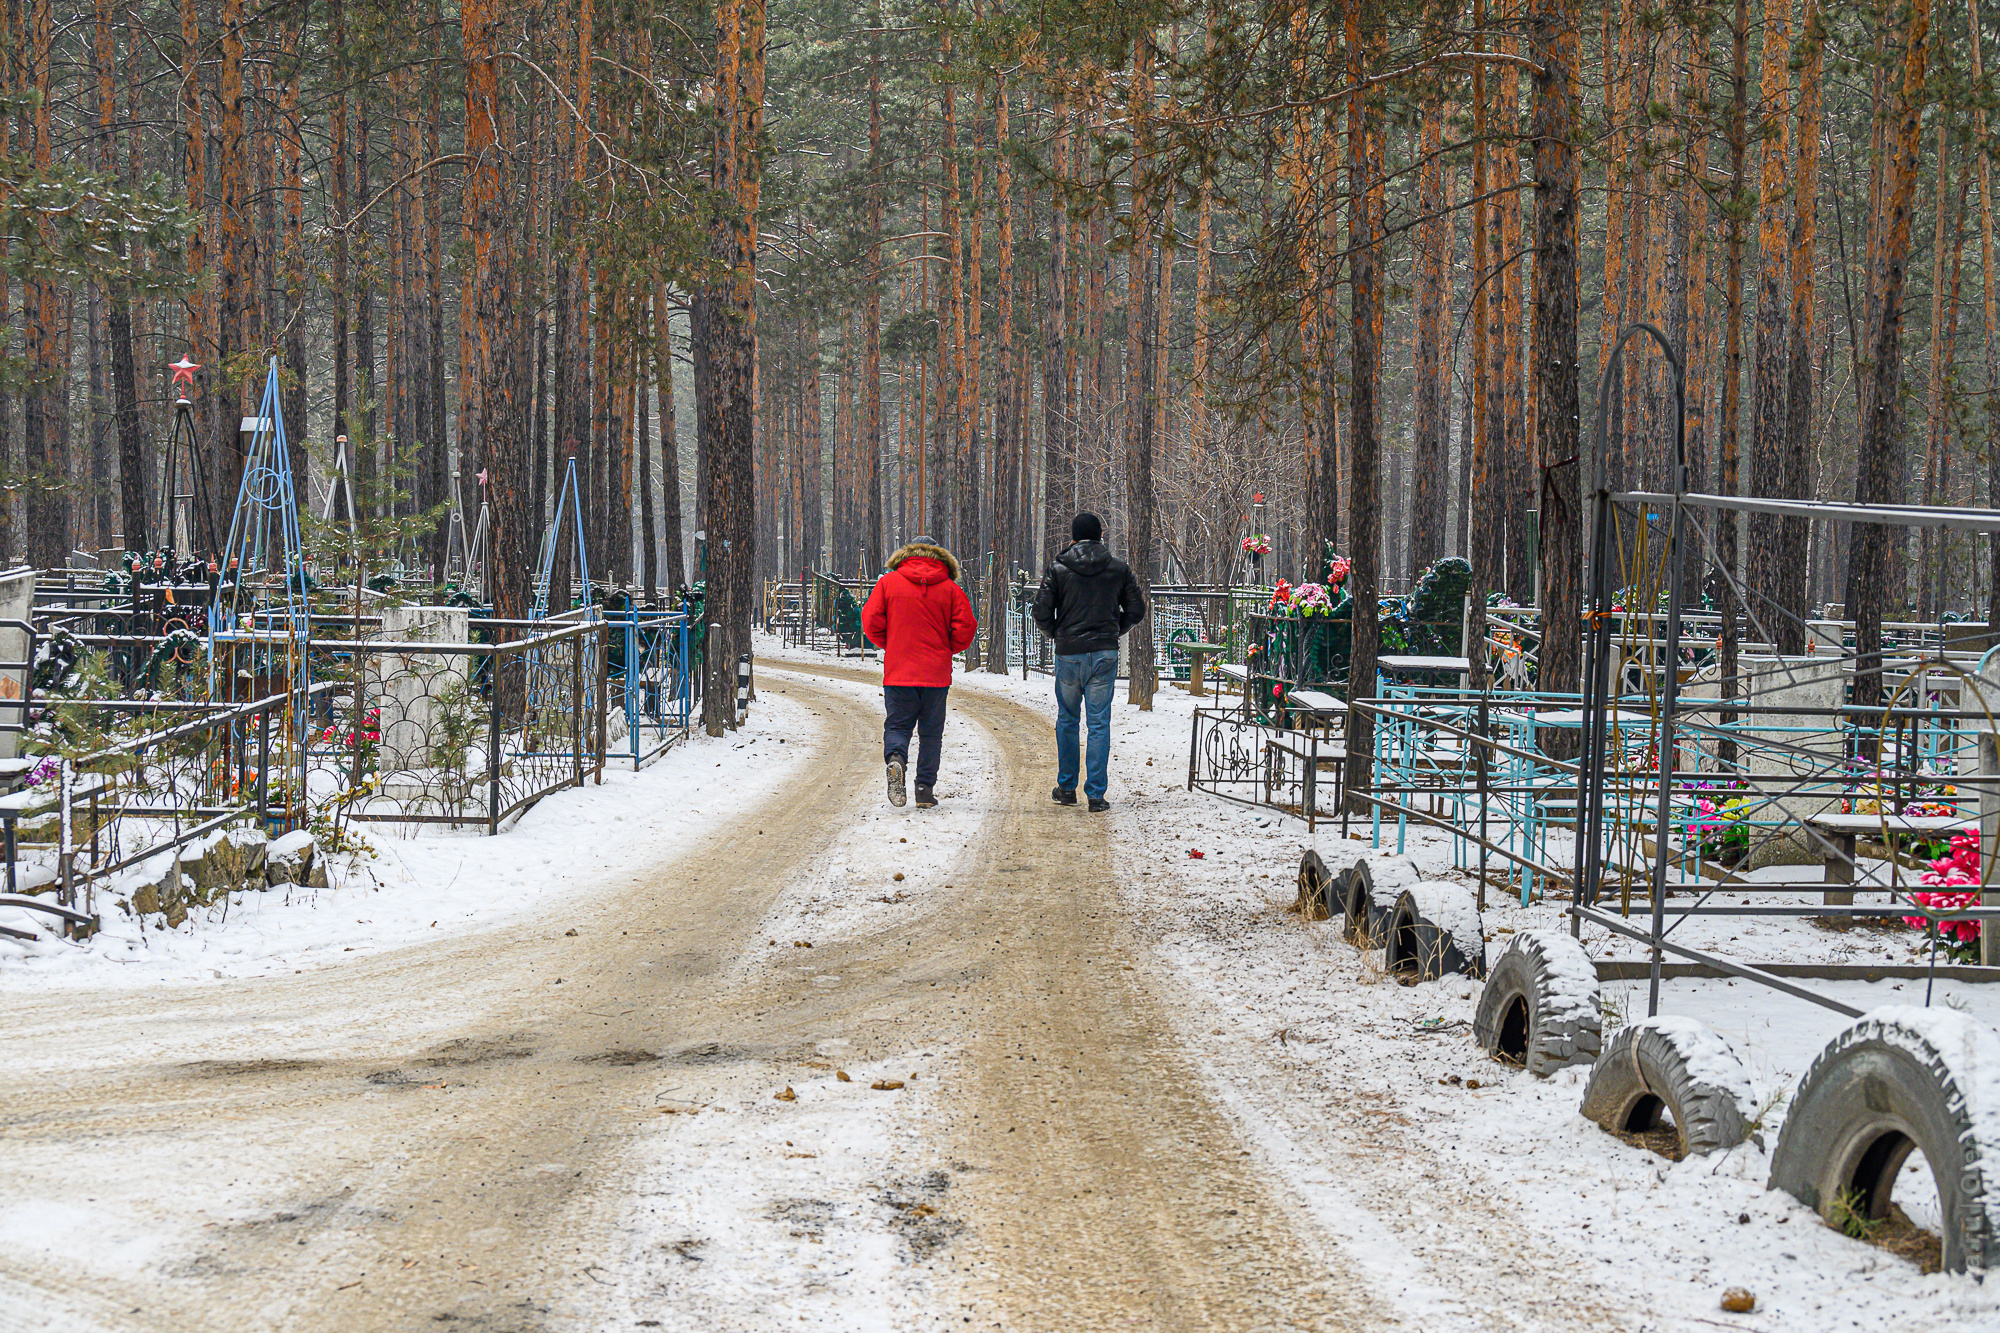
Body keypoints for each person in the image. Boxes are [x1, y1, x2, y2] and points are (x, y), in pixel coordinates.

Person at [1031, 513, 1147, 812]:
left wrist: (1058, 634)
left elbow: (1041, 612)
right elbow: (1136, 609)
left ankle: (1067, 787)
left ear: (1073, 537)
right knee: (1099, 723)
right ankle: (1096, 794)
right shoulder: (1118, 569)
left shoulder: (1058, 568)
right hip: (1104, 654)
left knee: (1068, 719)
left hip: (1069, 653)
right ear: (1100, 537)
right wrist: (1113, 628)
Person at [861, 536, 977, 809]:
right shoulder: (949, 588)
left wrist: (892, 642)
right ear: (938, 558)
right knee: (931, 734)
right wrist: (948, 647)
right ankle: (924, 789)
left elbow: (870, 619)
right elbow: (967, 626)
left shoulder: (888, 583)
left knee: (898, 725)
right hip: (935, 675)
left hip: (899, 671)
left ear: (907, 555)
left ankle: (896, 760)